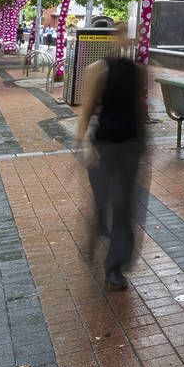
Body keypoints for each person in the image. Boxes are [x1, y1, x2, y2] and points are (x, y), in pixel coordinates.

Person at [74, 24, 148, 291]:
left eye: (129, 34)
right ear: (113, 39)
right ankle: (94, 231)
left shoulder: (138, 71)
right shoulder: (98, 69)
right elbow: (86, 111)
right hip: (102, 148)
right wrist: (83, 144)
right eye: (121, 33)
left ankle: (114, 267)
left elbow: (140, 109)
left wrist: (144, 146)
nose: (126, 38)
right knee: (101, 202)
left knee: (123, 207)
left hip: (129, 147)